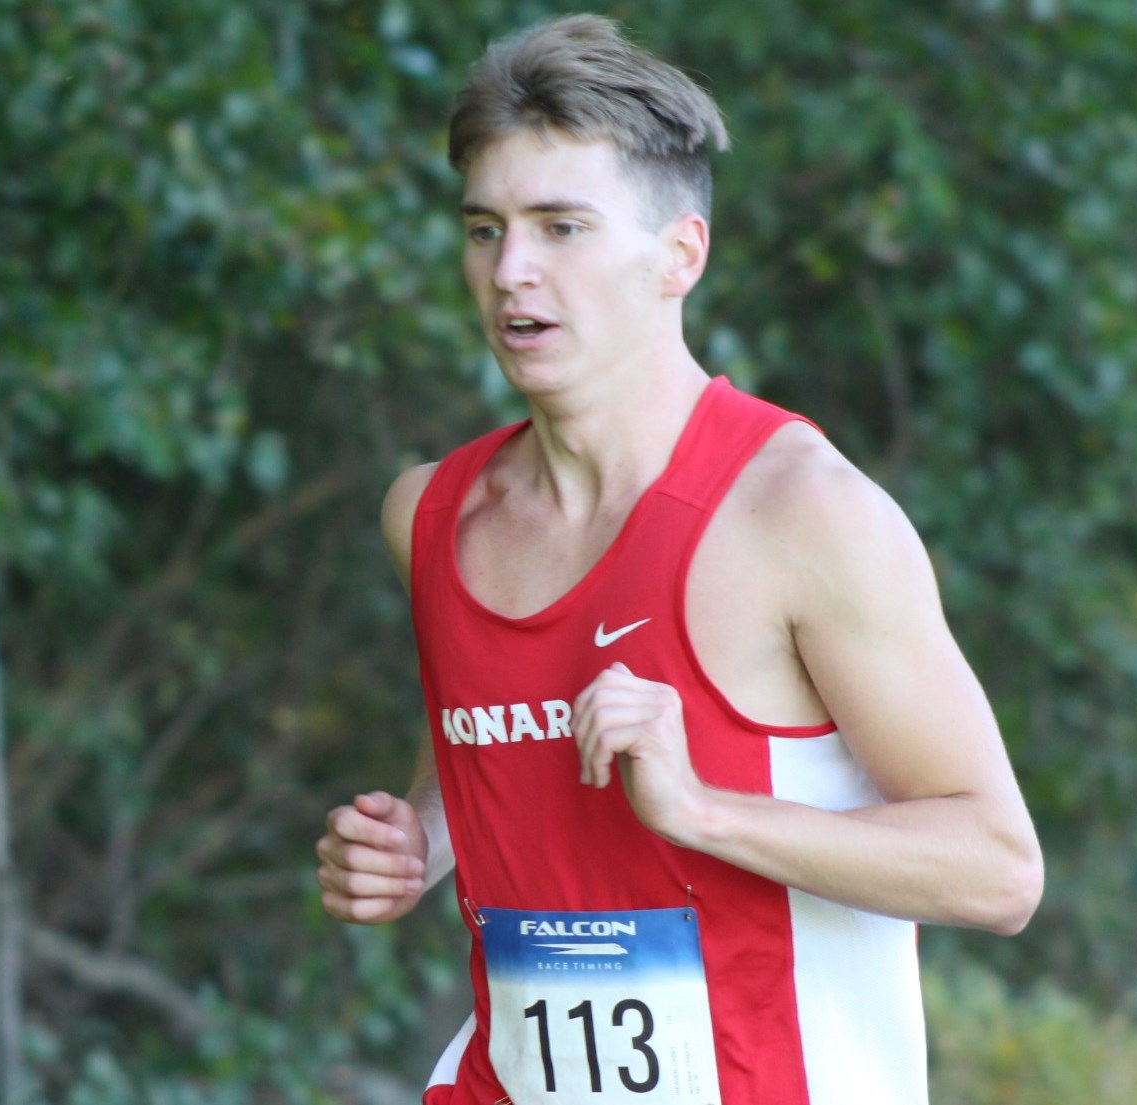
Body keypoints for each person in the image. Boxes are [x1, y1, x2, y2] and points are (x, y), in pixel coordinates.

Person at [315, 14, 1042, 1104]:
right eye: (483, 229)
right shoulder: (430, 515)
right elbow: (477, 755)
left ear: (677, 256)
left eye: (560, 227)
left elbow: (996, 866)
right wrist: (416, 841)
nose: (511, 271)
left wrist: (702, 810)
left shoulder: (800, 515)